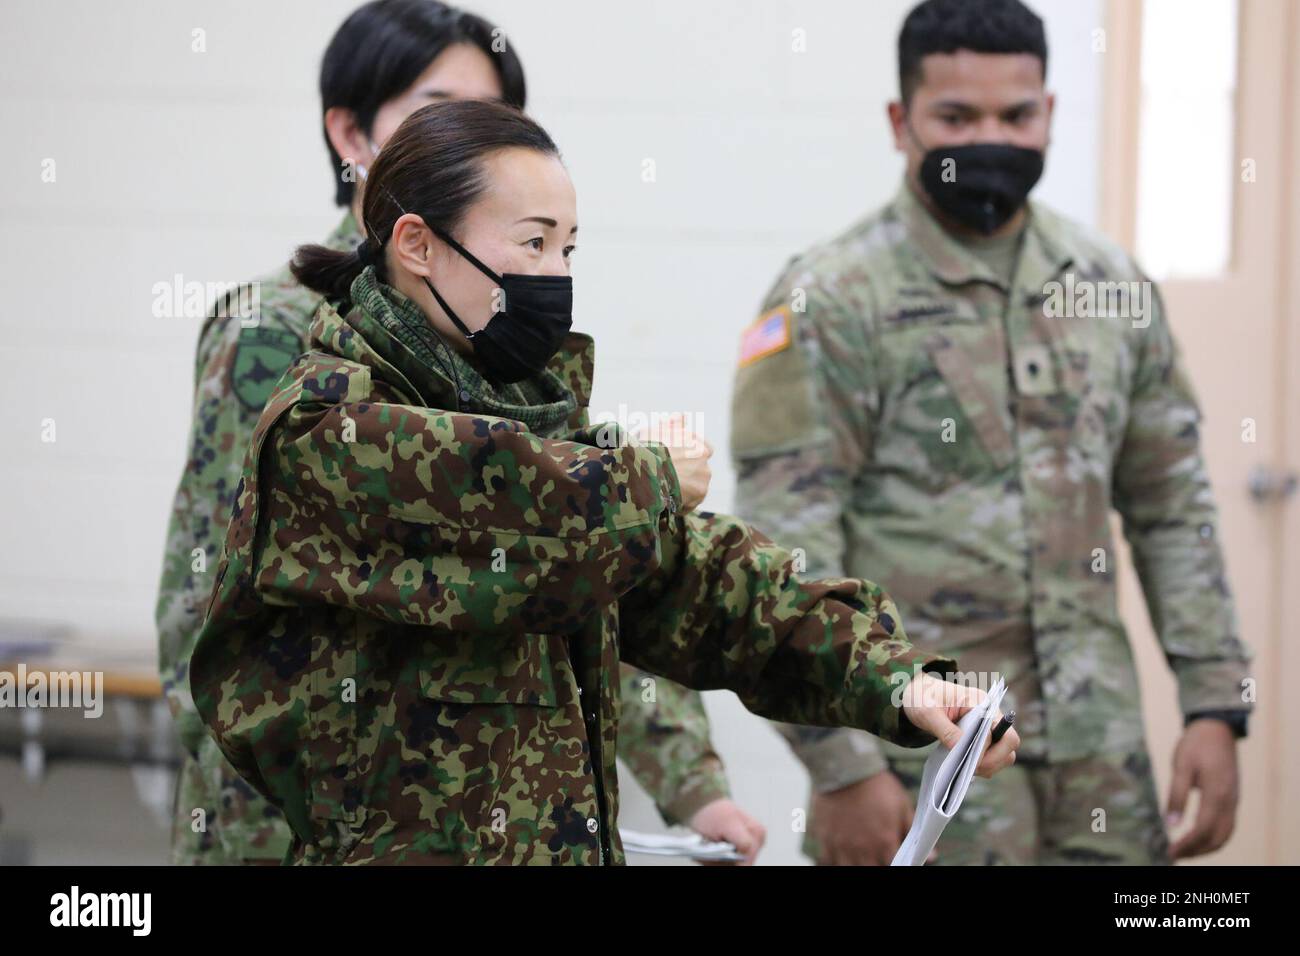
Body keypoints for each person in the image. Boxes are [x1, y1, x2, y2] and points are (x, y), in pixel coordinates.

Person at [188, 98, 1019, 866]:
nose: (556, 273)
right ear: (417, 245)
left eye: (570, 247)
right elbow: (520, 514)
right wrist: (649, 476)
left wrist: (894, 681)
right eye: (533, 242)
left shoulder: (532, 419)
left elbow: (704, 584)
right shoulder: (330, 430)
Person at [157, 0, 758, 866]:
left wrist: (690, 778)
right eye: (432, 108)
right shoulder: (283, 332)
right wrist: (263, 816)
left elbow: (579, 555)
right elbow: (203, 591)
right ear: (350, 133)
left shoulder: (491, 327)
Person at [730, 0, 1252, 866]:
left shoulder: (1110, 284)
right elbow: (789, 550)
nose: (991, 139)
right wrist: (842, 766)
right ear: (902, 123)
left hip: (1099, 757)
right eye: (957, 117)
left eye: (1016, 116)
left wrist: (1213, 704)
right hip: (924, 762)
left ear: (1048, 112)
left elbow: (1171, 505)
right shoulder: (830, 298)